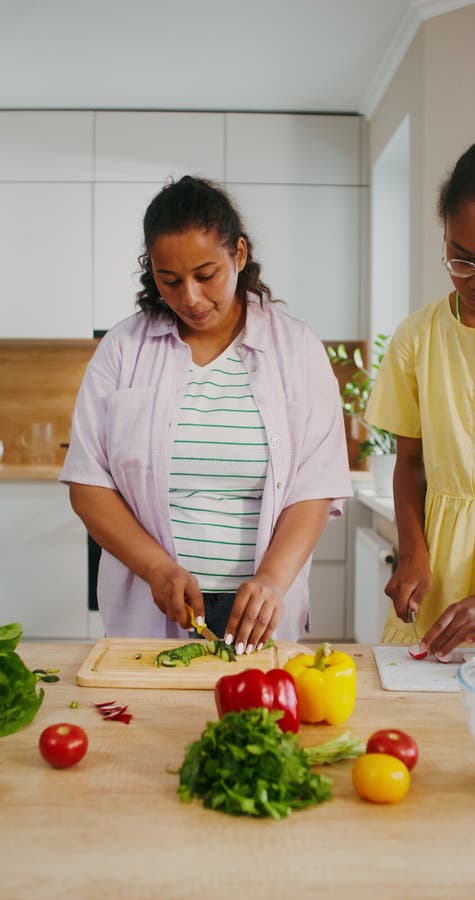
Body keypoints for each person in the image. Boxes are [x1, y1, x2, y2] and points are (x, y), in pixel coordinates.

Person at [60, 176, 352, 650]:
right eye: (169, 280)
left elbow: (314, 488)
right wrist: (158, 569)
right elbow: (89, 484)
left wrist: (273, 581)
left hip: (261, 615)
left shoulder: (296, 349)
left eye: (206, 274)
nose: (190, 298)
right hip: (150, 611)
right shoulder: (123, 349)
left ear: (238, 254)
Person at [365, 143, 475, 657]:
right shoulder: (417, 337)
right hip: (441, 575)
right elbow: (409, 465)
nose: (472, 282)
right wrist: (412, 549)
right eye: (461, 258)